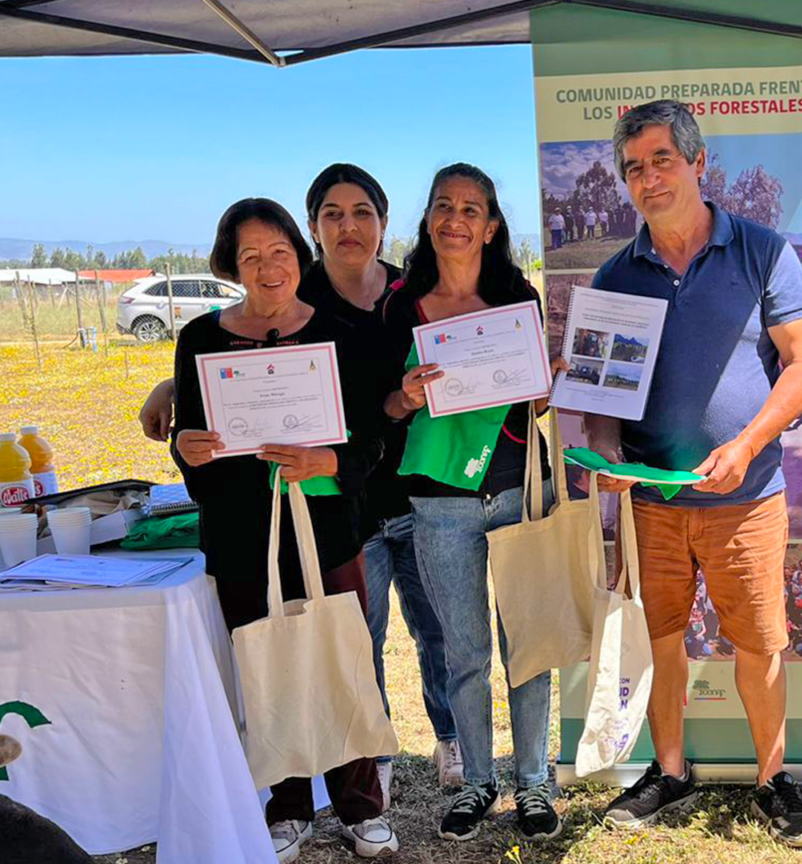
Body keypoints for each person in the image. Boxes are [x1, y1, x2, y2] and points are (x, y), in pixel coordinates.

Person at [138, 164, 465, 799]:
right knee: (342, 647)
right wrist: (178, 399)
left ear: (384, 220)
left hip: (414, 492)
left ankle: (434, 746)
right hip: (329, 510)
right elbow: (239, 358)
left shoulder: (412, 293)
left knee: (429, 635)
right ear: (313, 228)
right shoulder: (292, 295)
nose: (350, 226)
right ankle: (341, 770)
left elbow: (410, 388)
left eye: (362, 212)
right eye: (333, 214)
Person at [582, 100, 802, 848]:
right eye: (633, 168)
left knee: (759, 640)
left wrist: (747, 444)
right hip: (654, 502)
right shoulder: (616, 274)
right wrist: (607, 453)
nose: (648, 178)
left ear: (697, 163)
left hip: (747, 497)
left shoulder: (760, 250)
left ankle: (772, 777)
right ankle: (670, 769)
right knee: (661, 636)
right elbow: (597, 400)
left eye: (661, 159)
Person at [169, 198, 398, 861]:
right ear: (230, 266)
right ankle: (288, 805)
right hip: (242, 533)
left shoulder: (338, 336)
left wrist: (329, 460)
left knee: (338, 661)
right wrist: (187, 449)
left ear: (299, 255)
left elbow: (370, 440)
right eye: (250, 256)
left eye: (279, 252)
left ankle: (360, 806)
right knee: (266, 665)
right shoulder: (201, 339)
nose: (268, 268)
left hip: (325, 527)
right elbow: (190, 437)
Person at [381, 163, 560, 844]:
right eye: (443, 206)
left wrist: (550, 386)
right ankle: (481, 781)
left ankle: (534, 783)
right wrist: (404, 395)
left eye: (471, 208)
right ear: (428, 219)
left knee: (529, 648)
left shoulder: (520, 298)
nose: (456, 219)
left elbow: (534, 400)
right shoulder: (399, 305)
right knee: (463, 652)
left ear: (491, 225)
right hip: (438, 504)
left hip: (516, 490)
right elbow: (382, 406)